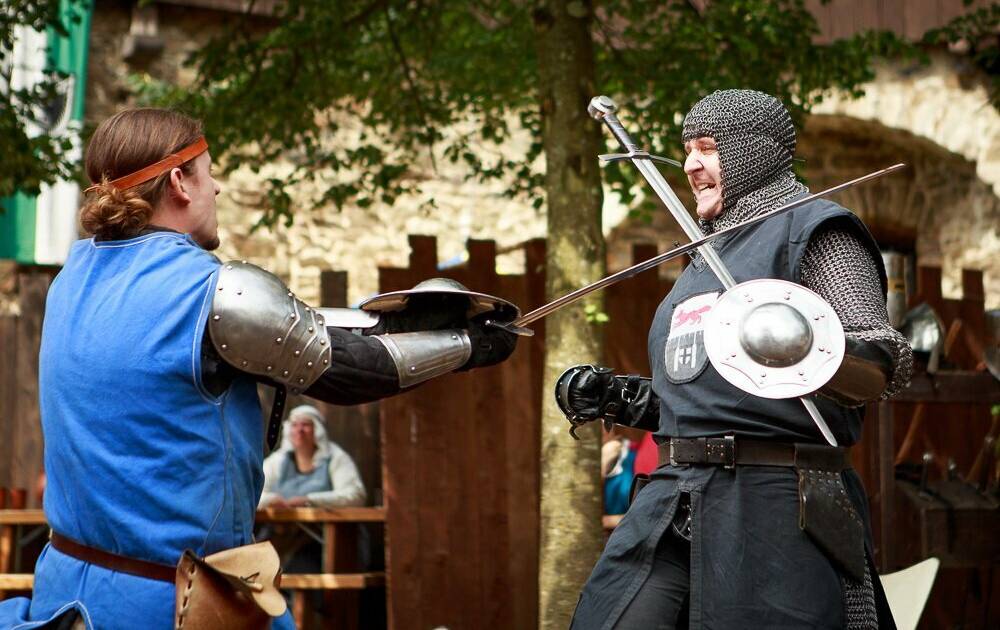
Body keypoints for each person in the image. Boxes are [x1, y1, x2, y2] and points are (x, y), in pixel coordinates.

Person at [0, 108, 517, 630]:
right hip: (170, 605)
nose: (218, 188)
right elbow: (345, 370)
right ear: (179, 181)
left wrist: (399, 321)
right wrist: (465, 345)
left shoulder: (74, 279)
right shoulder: (205, 291)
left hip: (65, 594)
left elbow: (305, 330)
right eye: (208, 170)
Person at [559, 90, 912, 629]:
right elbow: (714, 394)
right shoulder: (705, 258)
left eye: (707, 148)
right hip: (674, 497)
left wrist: (802, 350)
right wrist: (624, 398)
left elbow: (882, 364)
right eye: (686, 149)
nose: (690, 165)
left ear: (754, 152)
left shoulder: (814, 231)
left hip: (774, 501)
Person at [258, 404, 366, 510]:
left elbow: (355, 495)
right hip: (280, 526)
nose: (299, 430)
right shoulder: (278, 460)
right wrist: (270, 500)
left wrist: (309, 500)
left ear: (318, 430)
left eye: (305, 424)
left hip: (323, 526)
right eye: (294, 425)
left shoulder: (335, 457)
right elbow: (252, 490)